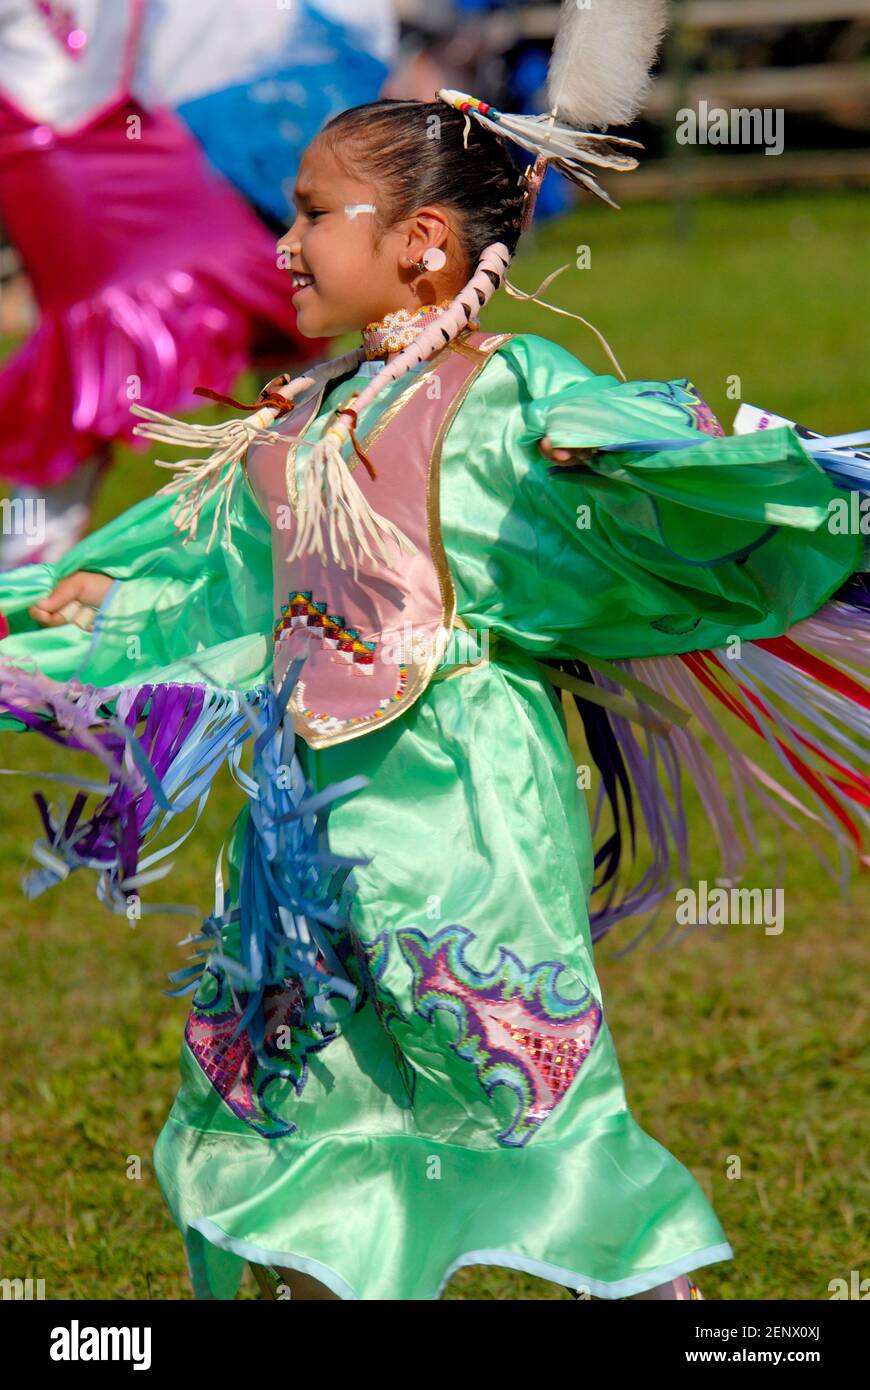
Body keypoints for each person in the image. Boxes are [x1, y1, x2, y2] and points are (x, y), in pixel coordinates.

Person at [0, 85, 867, 1301]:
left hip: (462, 806)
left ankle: (657, 1294)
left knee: (516, 1078)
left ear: (422, 245)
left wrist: (649, 452)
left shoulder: (503, 392)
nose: (281, 244)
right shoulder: (291, 423)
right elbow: (203, 566)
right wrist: (93, 588)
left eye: (310, 215)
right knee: (297, 1096)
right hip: (298, 836)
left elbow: (663, 468)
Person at [0, 0, 396, 570]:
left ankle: (310, 521)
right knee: (87, 371)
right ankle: (24, 575)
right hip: (51, 149)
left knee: (274, 301)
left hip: (145, 133)